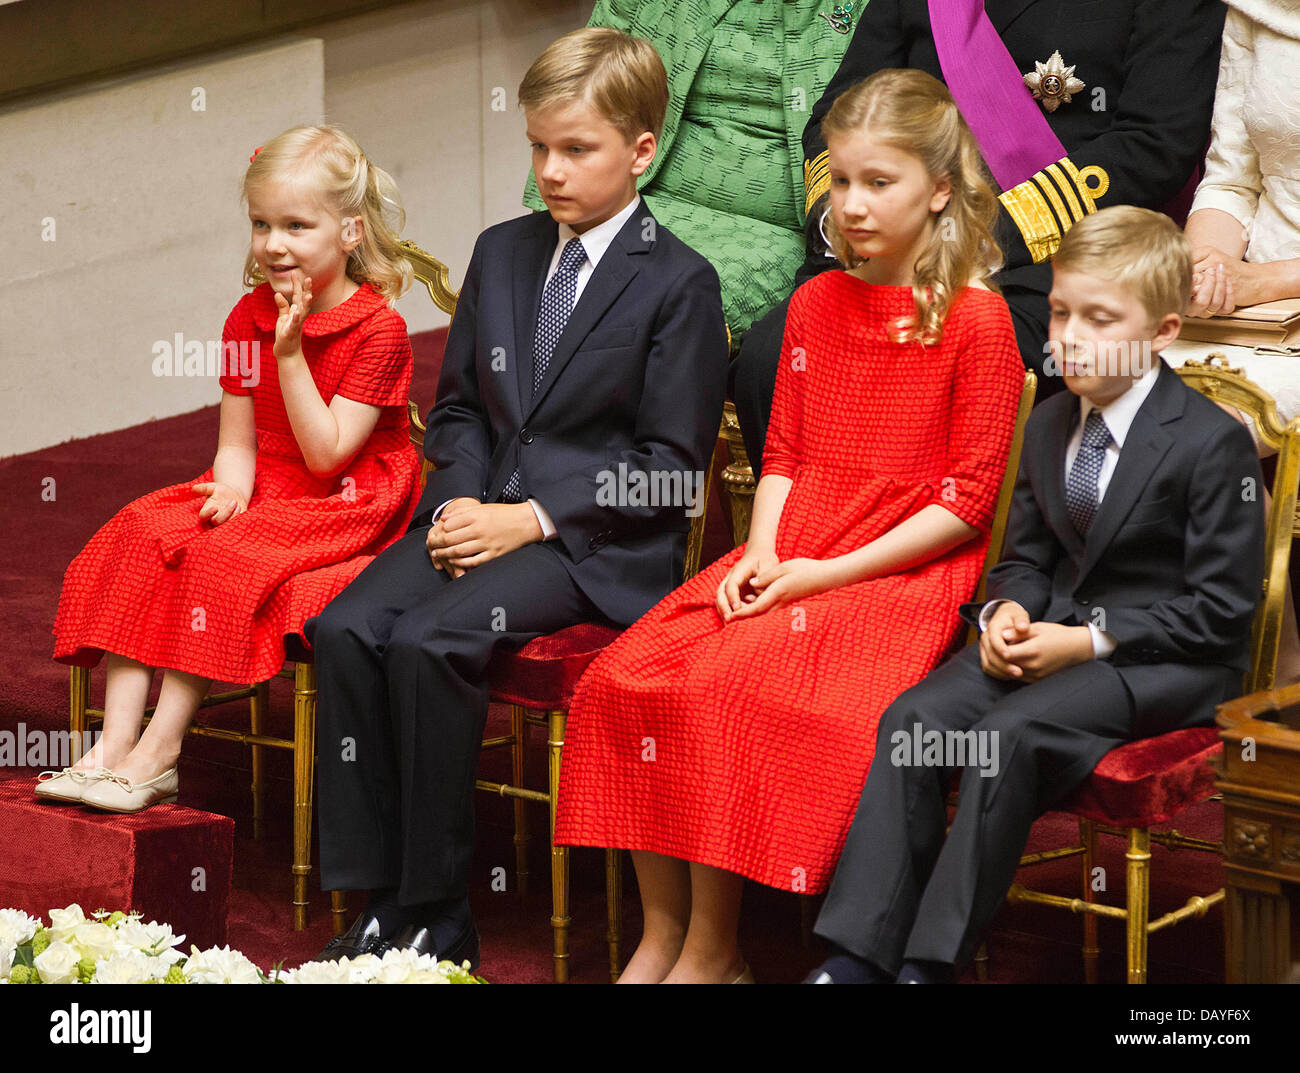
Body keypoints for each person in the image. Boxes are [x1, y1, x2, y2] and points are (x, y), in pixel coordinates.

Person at [554, 69, 1025, 984]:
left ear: (938, 190)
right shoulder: (813, 303)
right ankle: (663, 931)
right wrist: (766, 549)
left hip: (897, 572)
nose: (848, 206)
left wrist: (817, 574)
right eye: (839, 182)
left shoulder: (979, 321)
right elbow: (784, 457)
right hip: (795, 541)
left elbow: (964, 505)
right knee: (634, 676)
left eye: (877, 183)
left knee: (731, 686)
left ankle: (713, 950)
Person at [307, 28, 727, 970]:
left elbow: (670, 464)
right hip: (476, 517)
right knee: (345, 628)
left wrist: (531, 519)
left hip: (594, 547)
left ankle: (439, 908)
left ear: (642, 151)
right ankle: (380, 899)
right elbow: (457, 409)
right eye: (540, 147)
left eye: (576, 150)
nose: (551, 170)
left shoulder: (678, 284)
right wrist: (457, 504)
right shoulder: (502, 252)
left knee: (429, 641)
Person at [807, 206, 1266, 985]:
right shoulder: (1052, 421)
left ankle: (929, 961)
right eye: (1059, 311)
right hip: (1047, 640)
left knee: (1010, 734)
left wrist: (1088, 640)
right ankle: (858, 950)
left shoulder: (1209, 442)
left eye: (1099, 318)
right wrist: (1005, 611)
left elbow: (1223, 609)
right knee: (912, 718)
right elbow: (1022, 560)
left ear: (1162, 332)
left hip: (1167, 660)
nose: (1070, 336)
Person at [44, 126, 420, 814]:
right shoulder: (246, 316)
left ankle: (160, 751)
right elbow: (238, 443)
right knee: (143, 533)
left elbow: (328, 453)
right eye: (260, 224)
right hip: (267, 477)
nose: (273, 243)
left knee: (223, 561)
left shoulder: (378, 330)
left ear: (349, 231)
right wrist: (232, 489)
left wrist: (289, 355)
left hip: (345, 495)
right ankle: (112, 744)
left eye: (296, 225)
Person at [732, 0, 1226, 474]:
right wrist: (854, 223)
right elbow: (840, 112)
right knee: (769, 359)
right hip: (890, 241)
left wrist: (964, 235)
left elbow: (1155, 145)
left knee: (935, 363)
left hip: (1046, 259)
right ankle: (801, 545)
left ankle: (916, 557)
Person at [522, 0, 853, 339]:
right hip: (642, 191)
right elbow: (579, 85)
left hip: (781, 225)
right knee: (522, 283)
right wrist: (548, 212)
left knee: (643, 304)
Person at [1161, 0, 1300, 421]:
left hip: (1270, 291)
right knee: (1110, 386)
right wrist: (1202, 270)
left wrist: (1266, 280)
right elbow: (1231, 180)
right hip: (1254, 316)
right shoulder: (1257, 6)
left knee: (1188, 429)